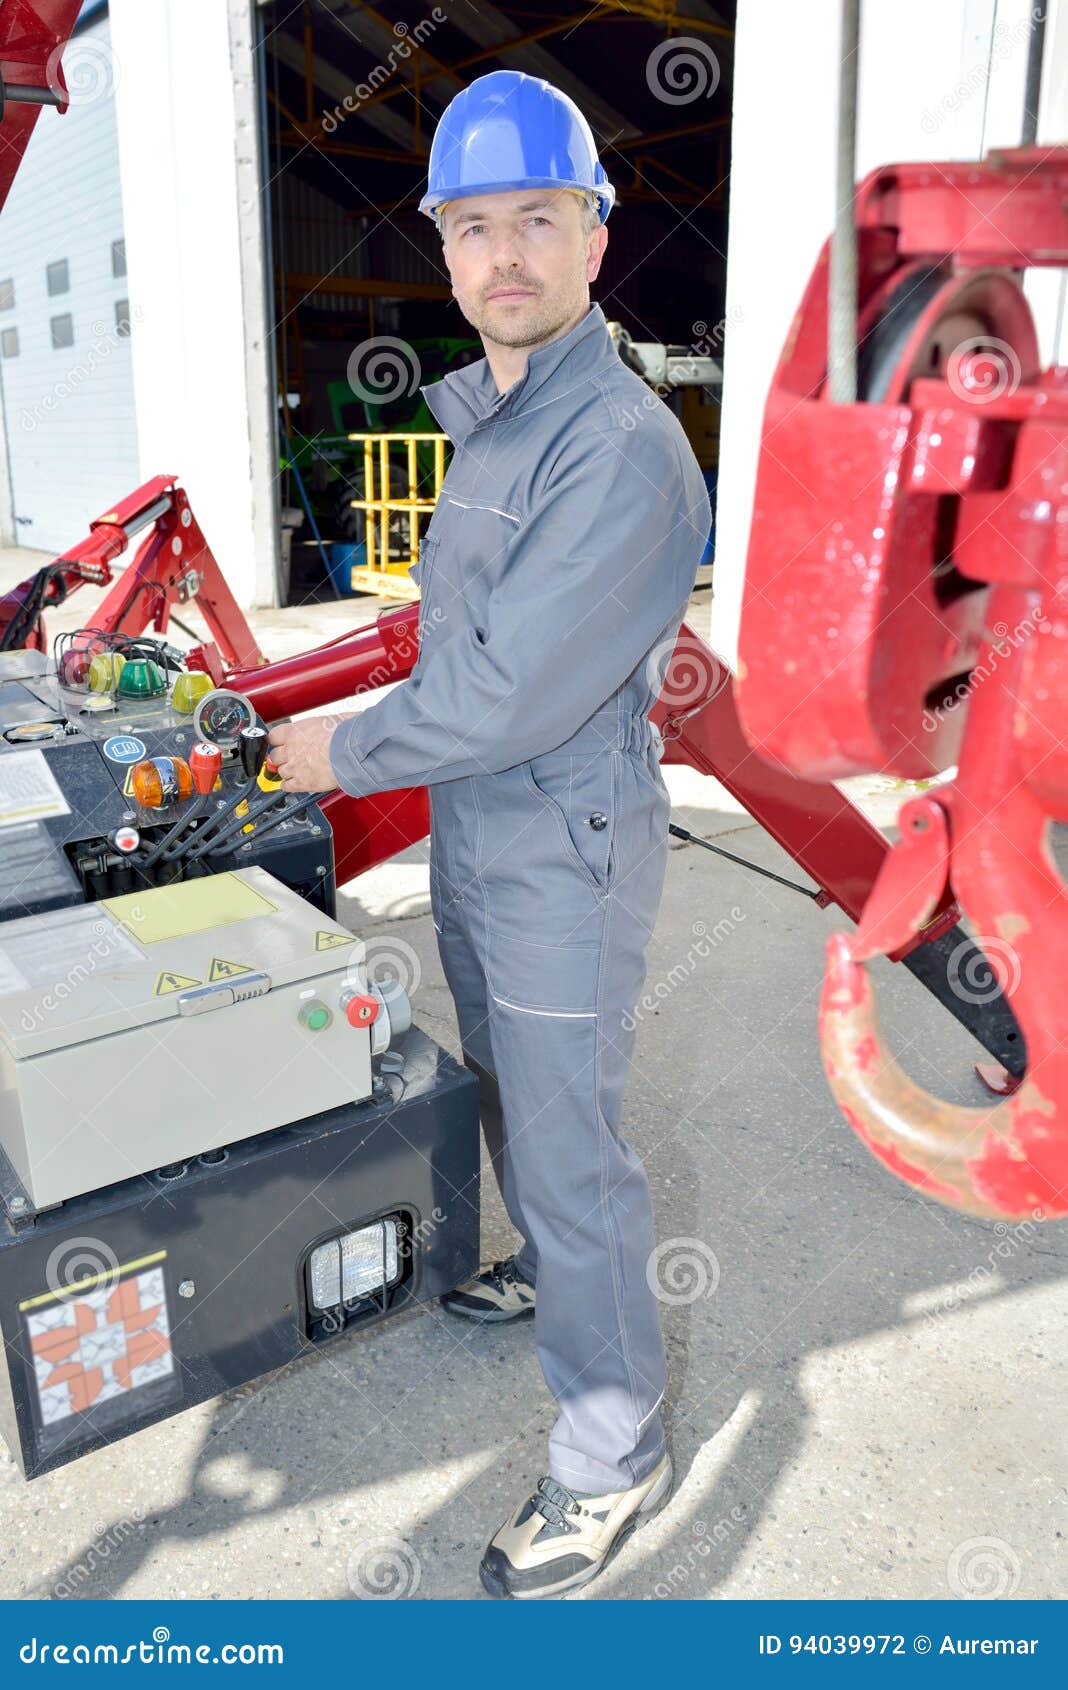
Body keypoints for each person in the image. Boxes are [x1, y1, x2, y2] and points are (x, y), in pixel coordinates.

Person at [268, 67, 712, 1600]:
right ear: (445, 250)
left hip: (563, 843)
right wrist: (376, 710)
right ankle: (551, 1265)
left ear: (597, 236)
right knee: (517, 1087)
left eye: (538, 218)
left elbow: (512, 685)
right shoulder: (500, 424)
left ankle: (612, 1446)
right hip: (482, 831)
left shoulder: (621, 445)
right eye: (473, 226)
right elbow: (456, 643)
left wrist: (340, 747)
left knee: (574, 1145)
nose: (504, 254)